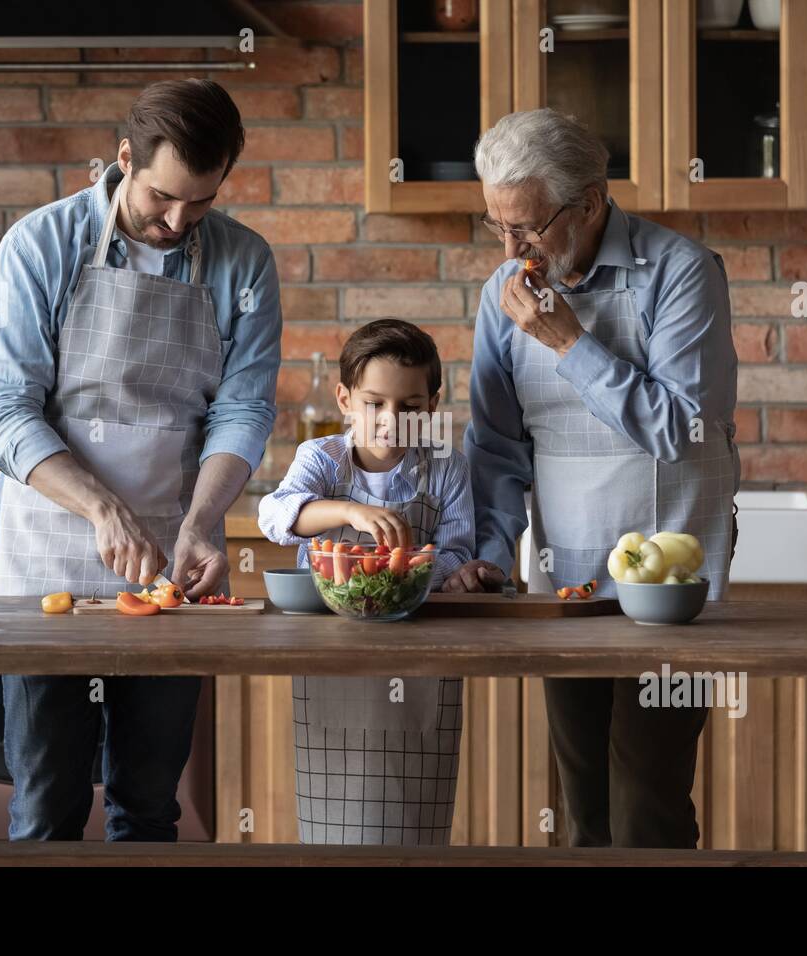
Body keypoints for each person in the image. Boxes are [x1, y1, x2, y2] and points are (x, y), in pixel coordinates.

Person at [0, 80, 281, 841]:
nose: (178, 222)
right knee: (46, 809)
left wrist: (206, 522)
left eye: (201, 204)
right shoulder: (40, 245)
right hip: (46, 563)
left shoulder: (245, 262)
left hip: (176, 564)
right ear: (122, 161)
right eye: (162, 199)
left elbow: (241, 409)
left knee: (148, 807)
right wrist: (104, 508)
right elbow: (5, 409)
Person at [454, 108, 741, 848]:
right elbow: (496, 445)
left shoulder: (681, 272)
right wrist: (489, 550)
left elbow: (681, 428)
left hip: (669, 588)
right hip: (566, 584)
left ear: (589, 203)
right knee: (584, 811)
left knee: (650, 803)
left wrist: (568, 340)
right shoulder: (501, 294)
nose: (515, 249)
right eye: (498, 228)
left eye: (528, 228)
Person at [258, 319, 475, 844]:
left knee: (417, 817)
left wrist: (449, 574)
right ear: (345, 400)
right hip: (331, 654)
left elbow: (456, 550)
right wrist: (348, 511)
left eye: (410, 407)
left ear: (432, 406)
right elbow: (274, 514)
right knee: (333, 814)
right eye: (375, 403)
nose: (391, 420)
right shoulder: (322, 460)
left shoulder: (445, 466)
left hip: (420, 654)